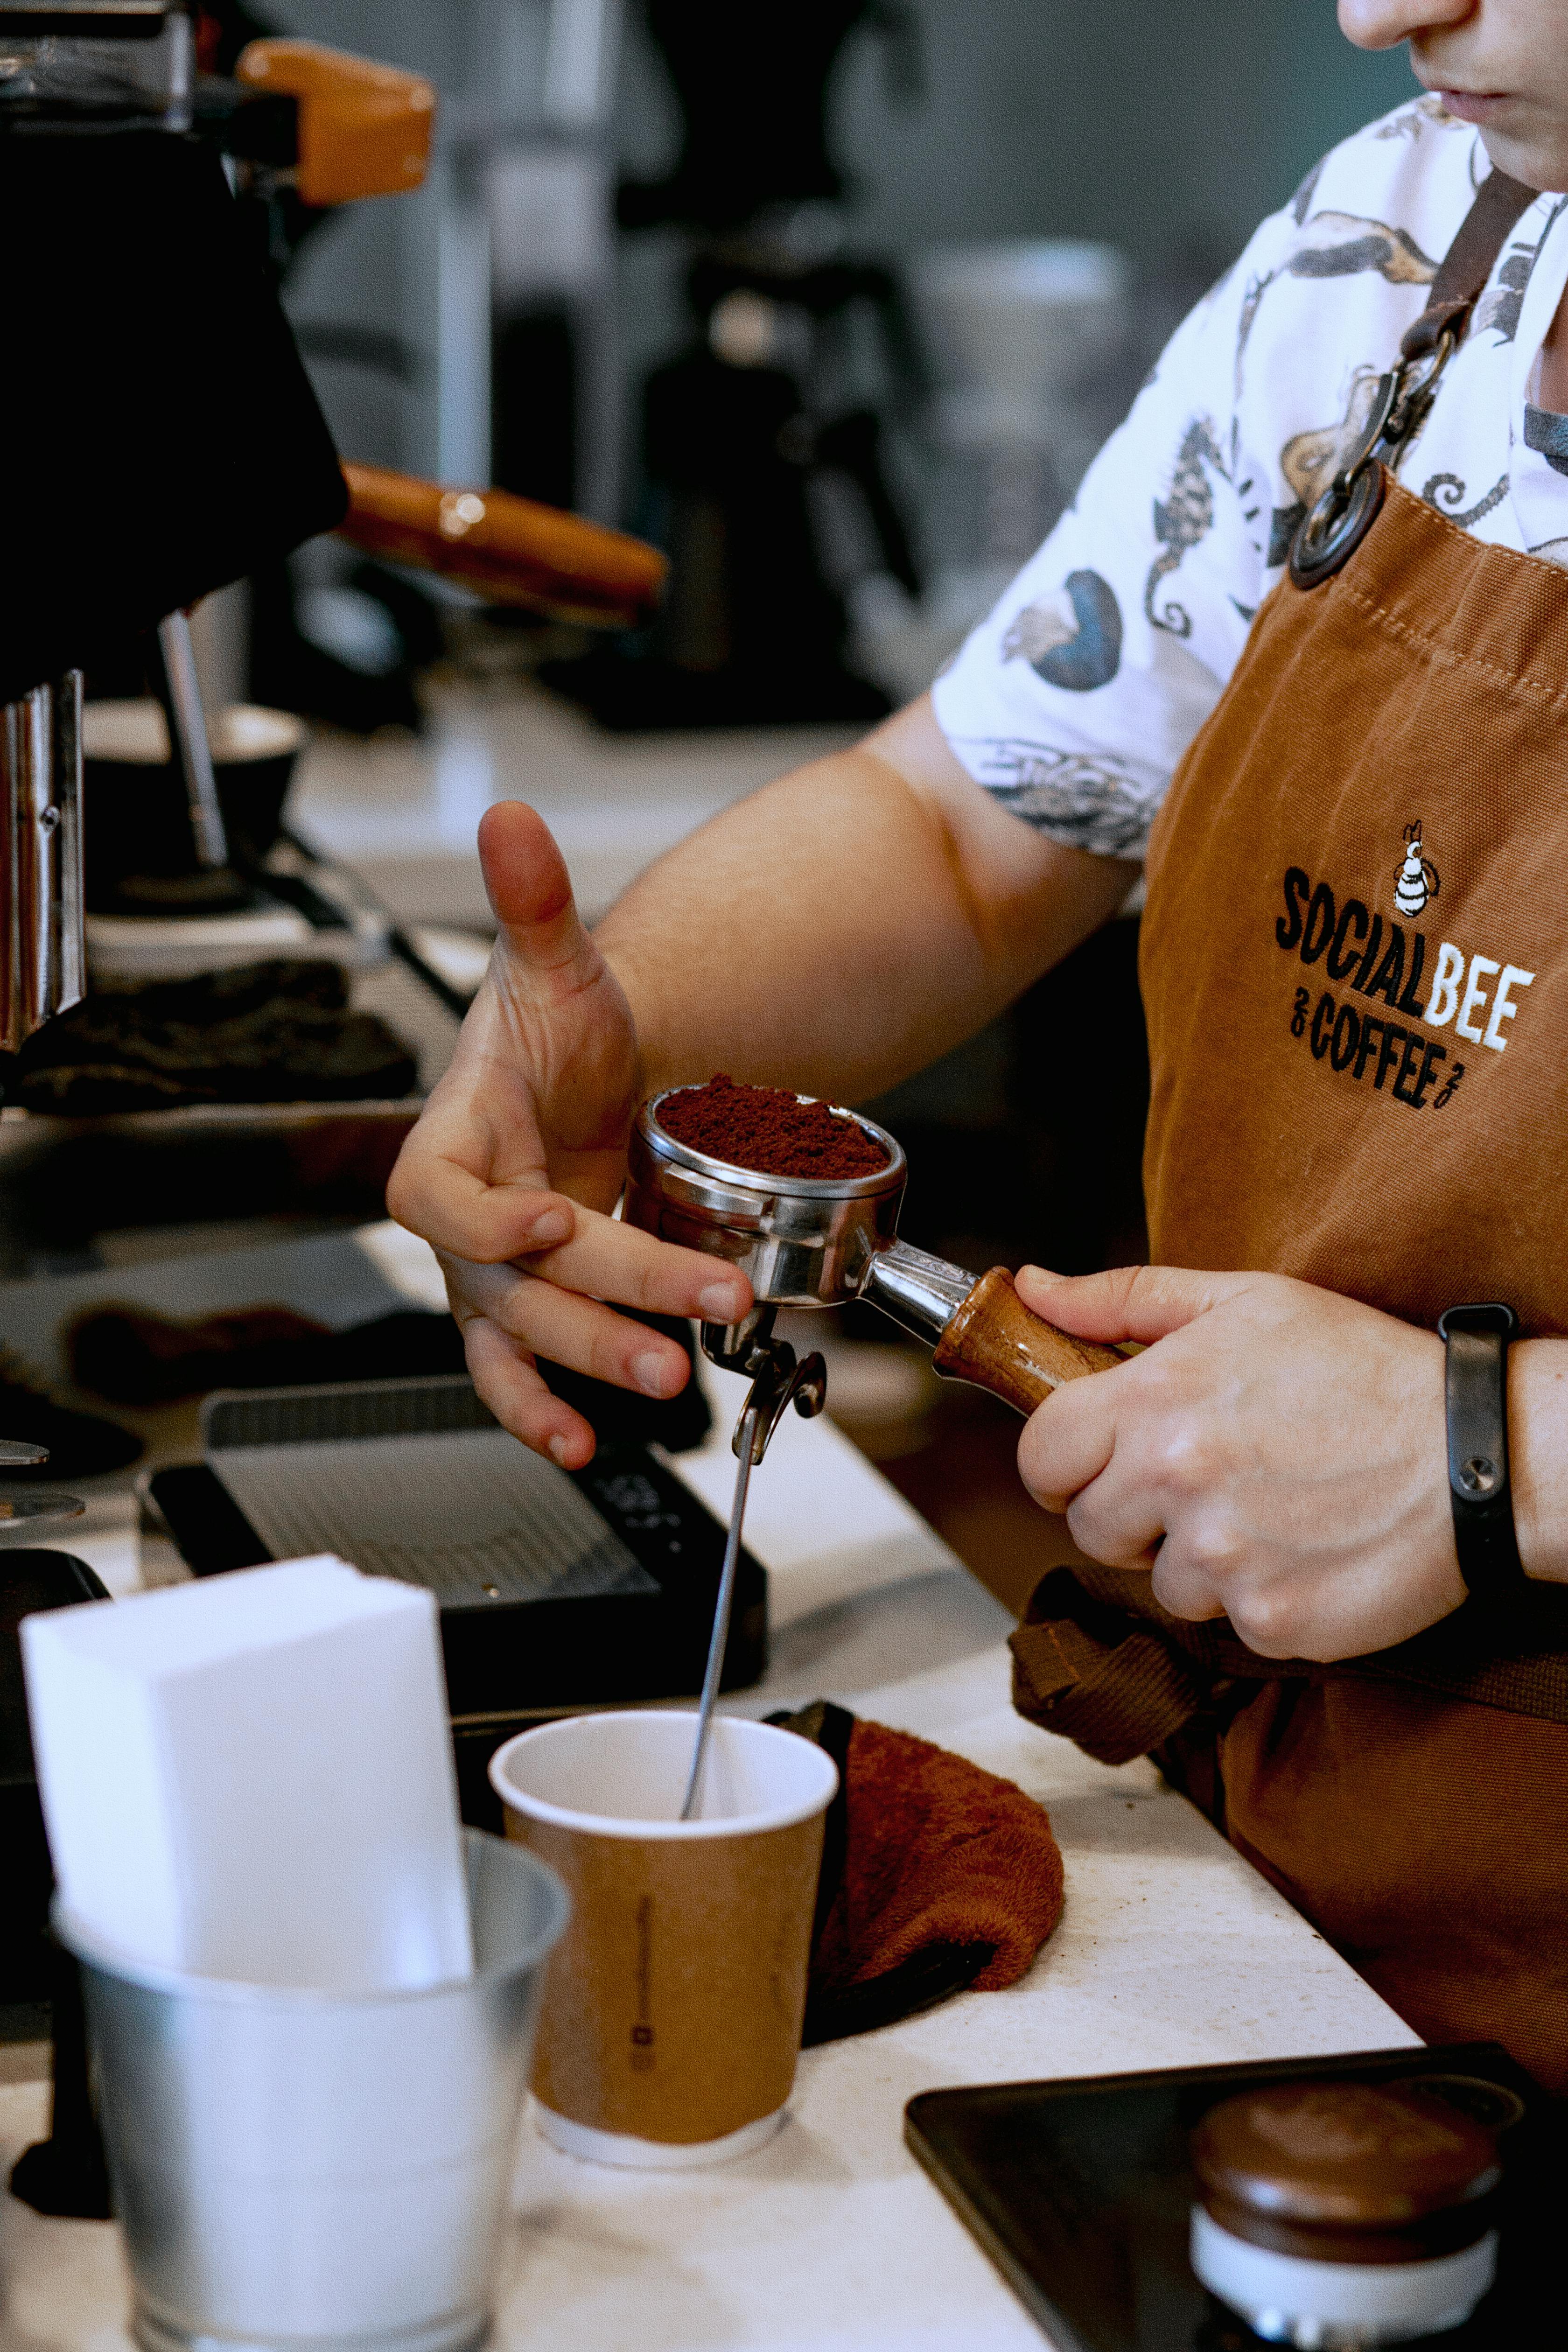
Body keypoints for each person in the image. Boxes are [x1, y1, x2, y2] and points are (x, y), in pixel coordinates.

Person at [390, 0, 1568, 2083]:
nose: (1385, 11)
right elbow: (970, 820)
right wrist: (614, 1035)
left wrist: (1501, 1462)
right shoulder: (1417, 243)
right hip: (1281, 1884)